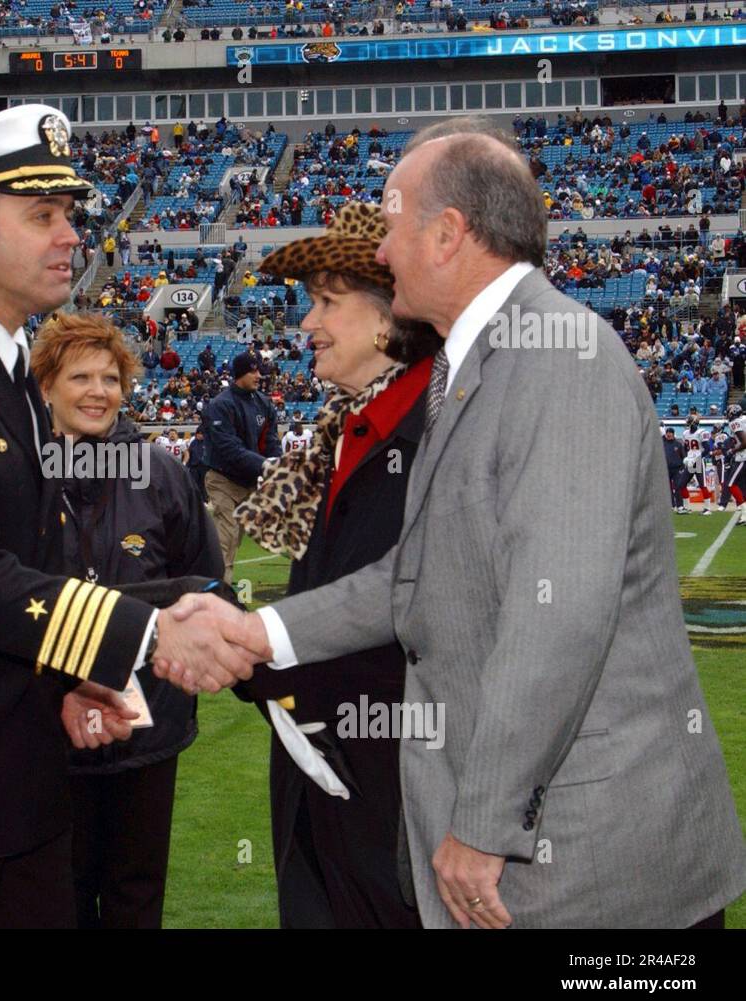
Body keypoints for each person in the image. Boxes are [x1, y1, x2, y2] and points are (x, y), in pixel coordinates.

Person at [169, 118, 746, 928]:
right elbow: (419, 573)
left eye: (393, 224)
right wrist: (259, 635)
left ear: (447, 235)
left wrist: (482, 823)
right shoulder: (474, 370)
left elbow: (562, 616)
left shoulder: (560, 360)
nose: (380, 251)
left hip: (587, 867)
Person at [0, 105, 265, 930]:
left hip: (26, 768)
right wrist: (148, 634)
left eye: (68, 214)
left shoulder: (4, 370)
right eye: (43, 216)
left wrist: (70, 683)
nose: (71, 234)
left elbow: (32, 570)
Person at [232, 202, 441, 928]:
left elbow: (403, 613)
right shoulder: (347, 426)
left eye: (326, 302)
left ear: (389, 317)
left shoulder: (437, 433)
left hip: (389, 785)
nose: (306, 325)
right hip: (326, 770)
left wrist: (247, 650)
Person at [31, 311, 224, 929]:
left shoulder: (162, 473)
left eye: (110, 378)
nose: (98, 391)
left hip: (148, 726)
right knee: (55, 894)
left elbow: (204, 583)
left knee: (135, 895)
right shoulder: (18, 478)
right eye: (80, 376)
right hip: (47, 727)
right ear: (46, 388)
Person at [199, 352, 279, 583]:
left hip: (249, 481)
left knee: (235, 538)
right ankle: (217, 594)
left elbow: (270, 439)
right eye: (253, 371)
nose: (258, 375)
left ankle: (215, 585)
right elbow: (229, 449)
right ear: (240, 374)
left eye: (259, 370)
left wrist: (278, 462)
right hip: (223, 478)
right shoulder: (220, 405)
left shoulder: (263, 403)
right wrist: (265, 464)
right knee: (226, 536)